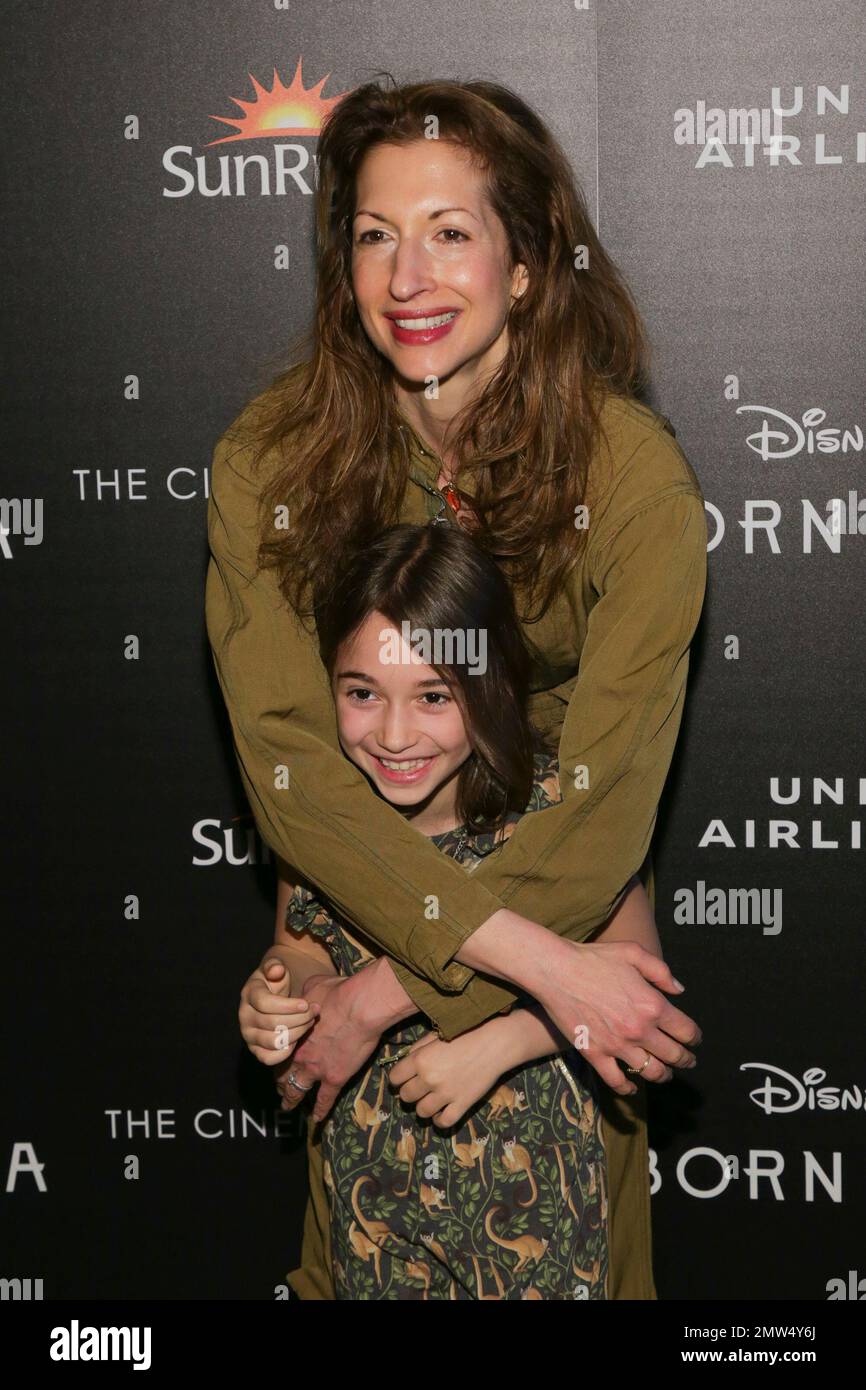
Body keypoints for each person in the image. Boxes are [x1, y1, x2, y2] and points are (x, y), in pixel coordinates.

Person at [206, 76, 707, 1300]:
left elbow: (597, 817)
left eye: (450, 233)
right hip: (365, 938)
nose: (407, 278)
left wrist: (384, 991)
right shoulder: (266, 461)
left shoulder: (631, 481)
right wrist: (324, 977)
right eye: (375, 236)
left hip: (554, 994)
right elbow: (294, 776)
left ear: (528, 264)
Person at [241, 521, 665, 1300]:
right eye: (363, 694)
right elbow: (301, 950)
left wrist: (499, 1045)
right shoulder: (324, 824)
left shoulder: (557, 819)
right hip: (376, 1217)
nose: (395, 735)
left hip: (538, 1228)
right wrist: (278, 992)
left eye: (434, 696)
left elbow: (637, 1003)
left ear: (489, 684)